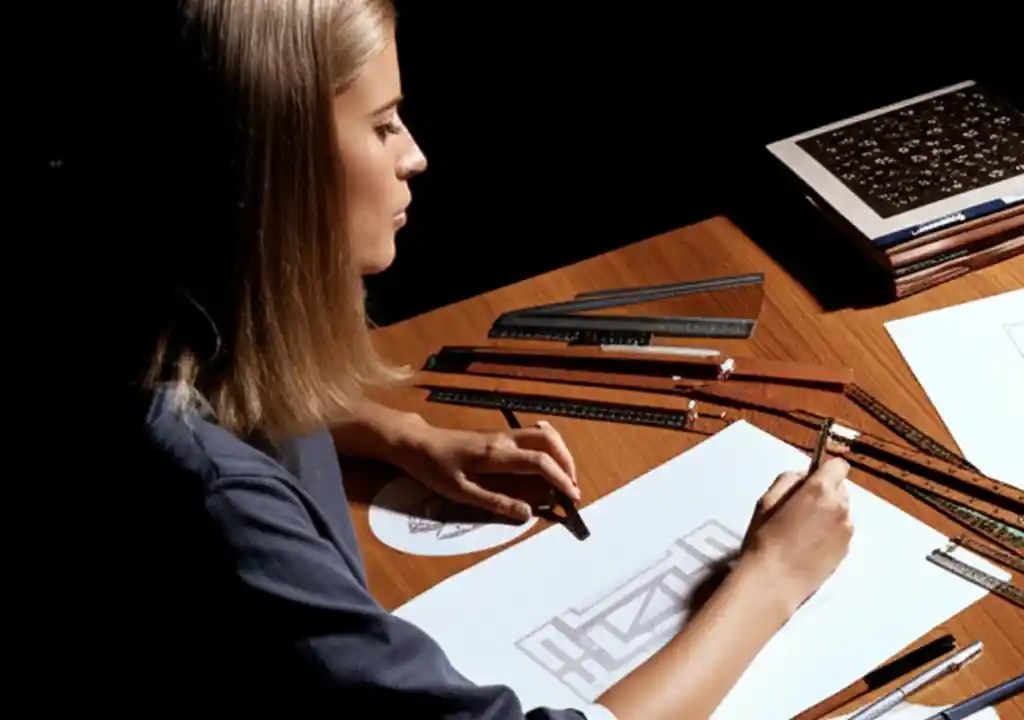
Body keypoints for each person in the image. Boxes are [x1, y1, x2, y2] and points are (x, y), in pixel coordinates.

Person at [74, 1, 854, 716]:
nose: (414, 155)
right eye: (383, 126)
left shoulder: (159, 315)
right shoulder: (219, 504)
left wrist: (396, 434)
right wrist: (770, 580)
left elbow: (234, 387)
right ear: (270, 170)